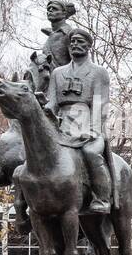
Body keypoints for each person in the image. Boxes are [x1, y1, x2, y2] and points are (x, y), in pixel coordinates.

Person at [45, 28, 115, 215]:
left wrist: (93, 129)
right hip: (62, 124)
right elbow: (51, 102)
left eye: (80, 41)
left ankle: (101, 198)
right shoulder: (58, 73)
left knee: (91, 152)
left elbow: (101, 103)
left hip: (87, 123)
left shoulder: (98, 72)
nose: (75, 44)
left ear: (89, 46)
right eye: (72, 42)